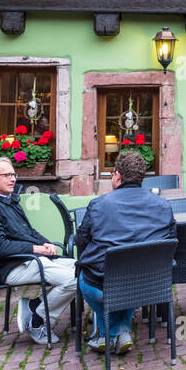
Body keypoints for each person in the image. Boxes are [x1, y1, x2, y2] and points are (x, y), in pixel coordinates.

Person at [74, 150, 178, 355]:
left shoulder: (99, 205)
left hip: (103, 283)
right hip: (149, 283)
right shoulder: (163, 205)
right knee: (130, 275)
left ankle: (110, 335)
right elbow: (172, 241)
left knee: (86, 279)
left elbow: (81, 241)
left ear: (117, 176)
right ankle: (119, 332)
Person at [0, 156, 77, 344]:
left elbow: (28, 231)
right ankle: (36, 319)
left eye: (14, 174)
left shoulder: (8, 201)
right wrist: (35, 248)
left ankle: (35, 305)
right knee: (73, 280)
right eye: (7, 175)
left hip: (30, 259)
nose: (13, 179)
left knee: (83, 268)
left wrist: (46, 244)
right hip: (12, 266)